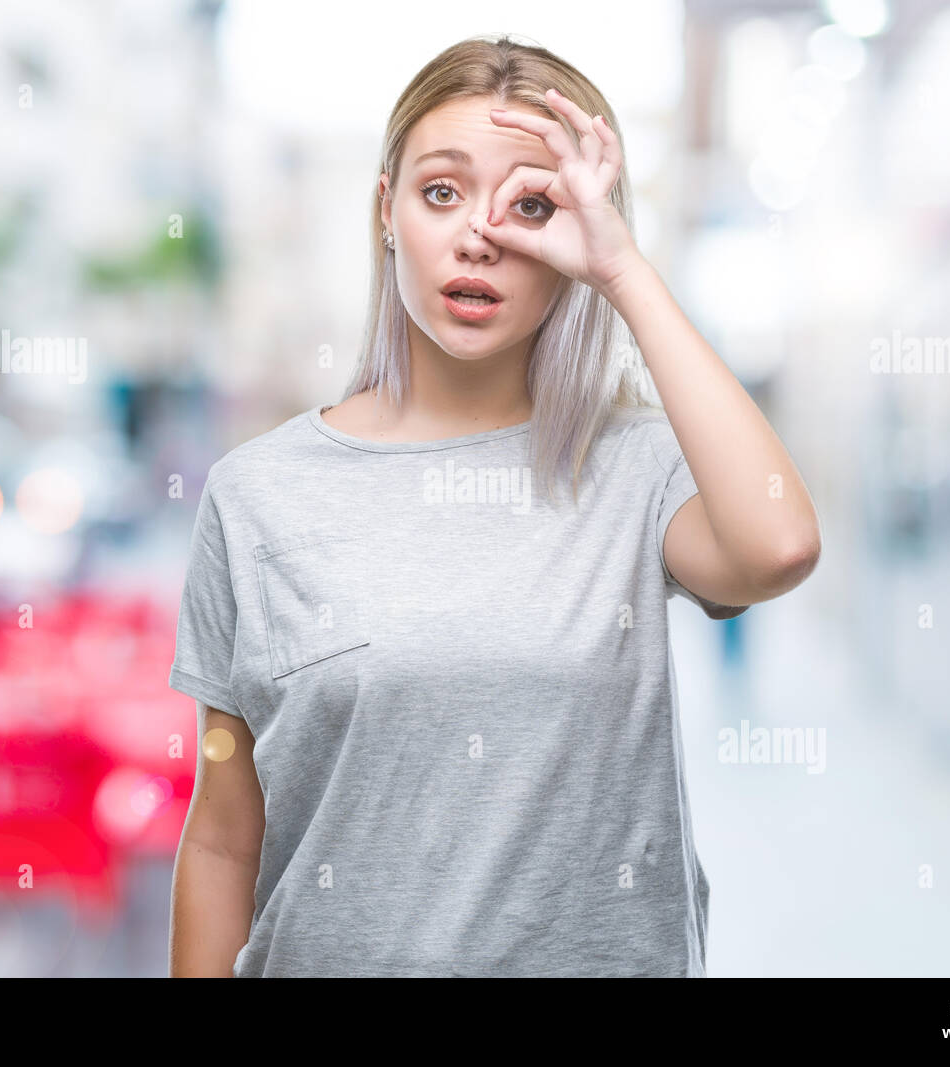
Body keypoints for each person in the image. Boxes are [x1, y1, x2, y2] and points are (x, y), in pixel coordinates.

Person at [167, 34, 821, 978]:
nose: (480, 234)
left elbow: (779, 544)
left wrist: (624, 272)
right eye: (442, 192)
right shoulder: (256, 493)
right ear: (387, 211)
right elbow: (225, 838)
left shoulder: (636, 467)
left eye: (532, 204)